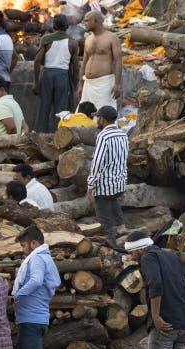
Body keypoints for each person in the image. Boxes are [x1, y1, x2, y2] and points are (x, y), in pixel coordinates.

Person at [7, 226, 71, 349]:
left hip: (31, 320)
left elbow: (35, 281)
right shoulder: (42, 258)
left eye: (24, 245)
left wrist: (16, 295)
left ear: (34, 243)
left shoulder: (36, 258)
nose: (23, 249)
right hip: (31, 318)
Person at [87, 105, 128, 244]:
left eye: (98, 117)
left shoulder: (103, 136)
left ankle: (112, 246)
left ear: (103, 119)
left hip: (105, 185)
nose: (96, 119)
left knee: (105, 222)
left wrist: (90, 184)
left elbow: (97, 163)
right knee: (113, 199)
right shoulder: (123, 133)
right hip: (120, 183)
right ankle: (122, 227)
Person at [33, 14, 78, 133]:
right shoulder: (73, 43)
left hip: (47, 74)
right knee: (61, 110)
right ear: (67, 26)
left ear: (53, 25)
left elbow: (37, 61)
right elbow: (76, 68)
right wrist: (74, 85)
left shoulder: (46, 39)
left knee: (44, 107)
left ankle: (40, 135)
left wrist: (36, 83)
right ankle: (58, 136)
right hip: (63, 77)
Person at [78, 11, 122, 110]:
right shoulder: (88, 39)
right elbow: (84, 63)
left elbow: (118, 61)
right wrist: (80, 85)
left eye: (87, 21)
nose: (85, 23)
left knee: (103, 117)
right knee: (83, 118)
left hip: (104, 84)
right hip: (88, 84)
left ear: (96, 21)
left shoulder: (112, 38)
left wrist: (117, 84)